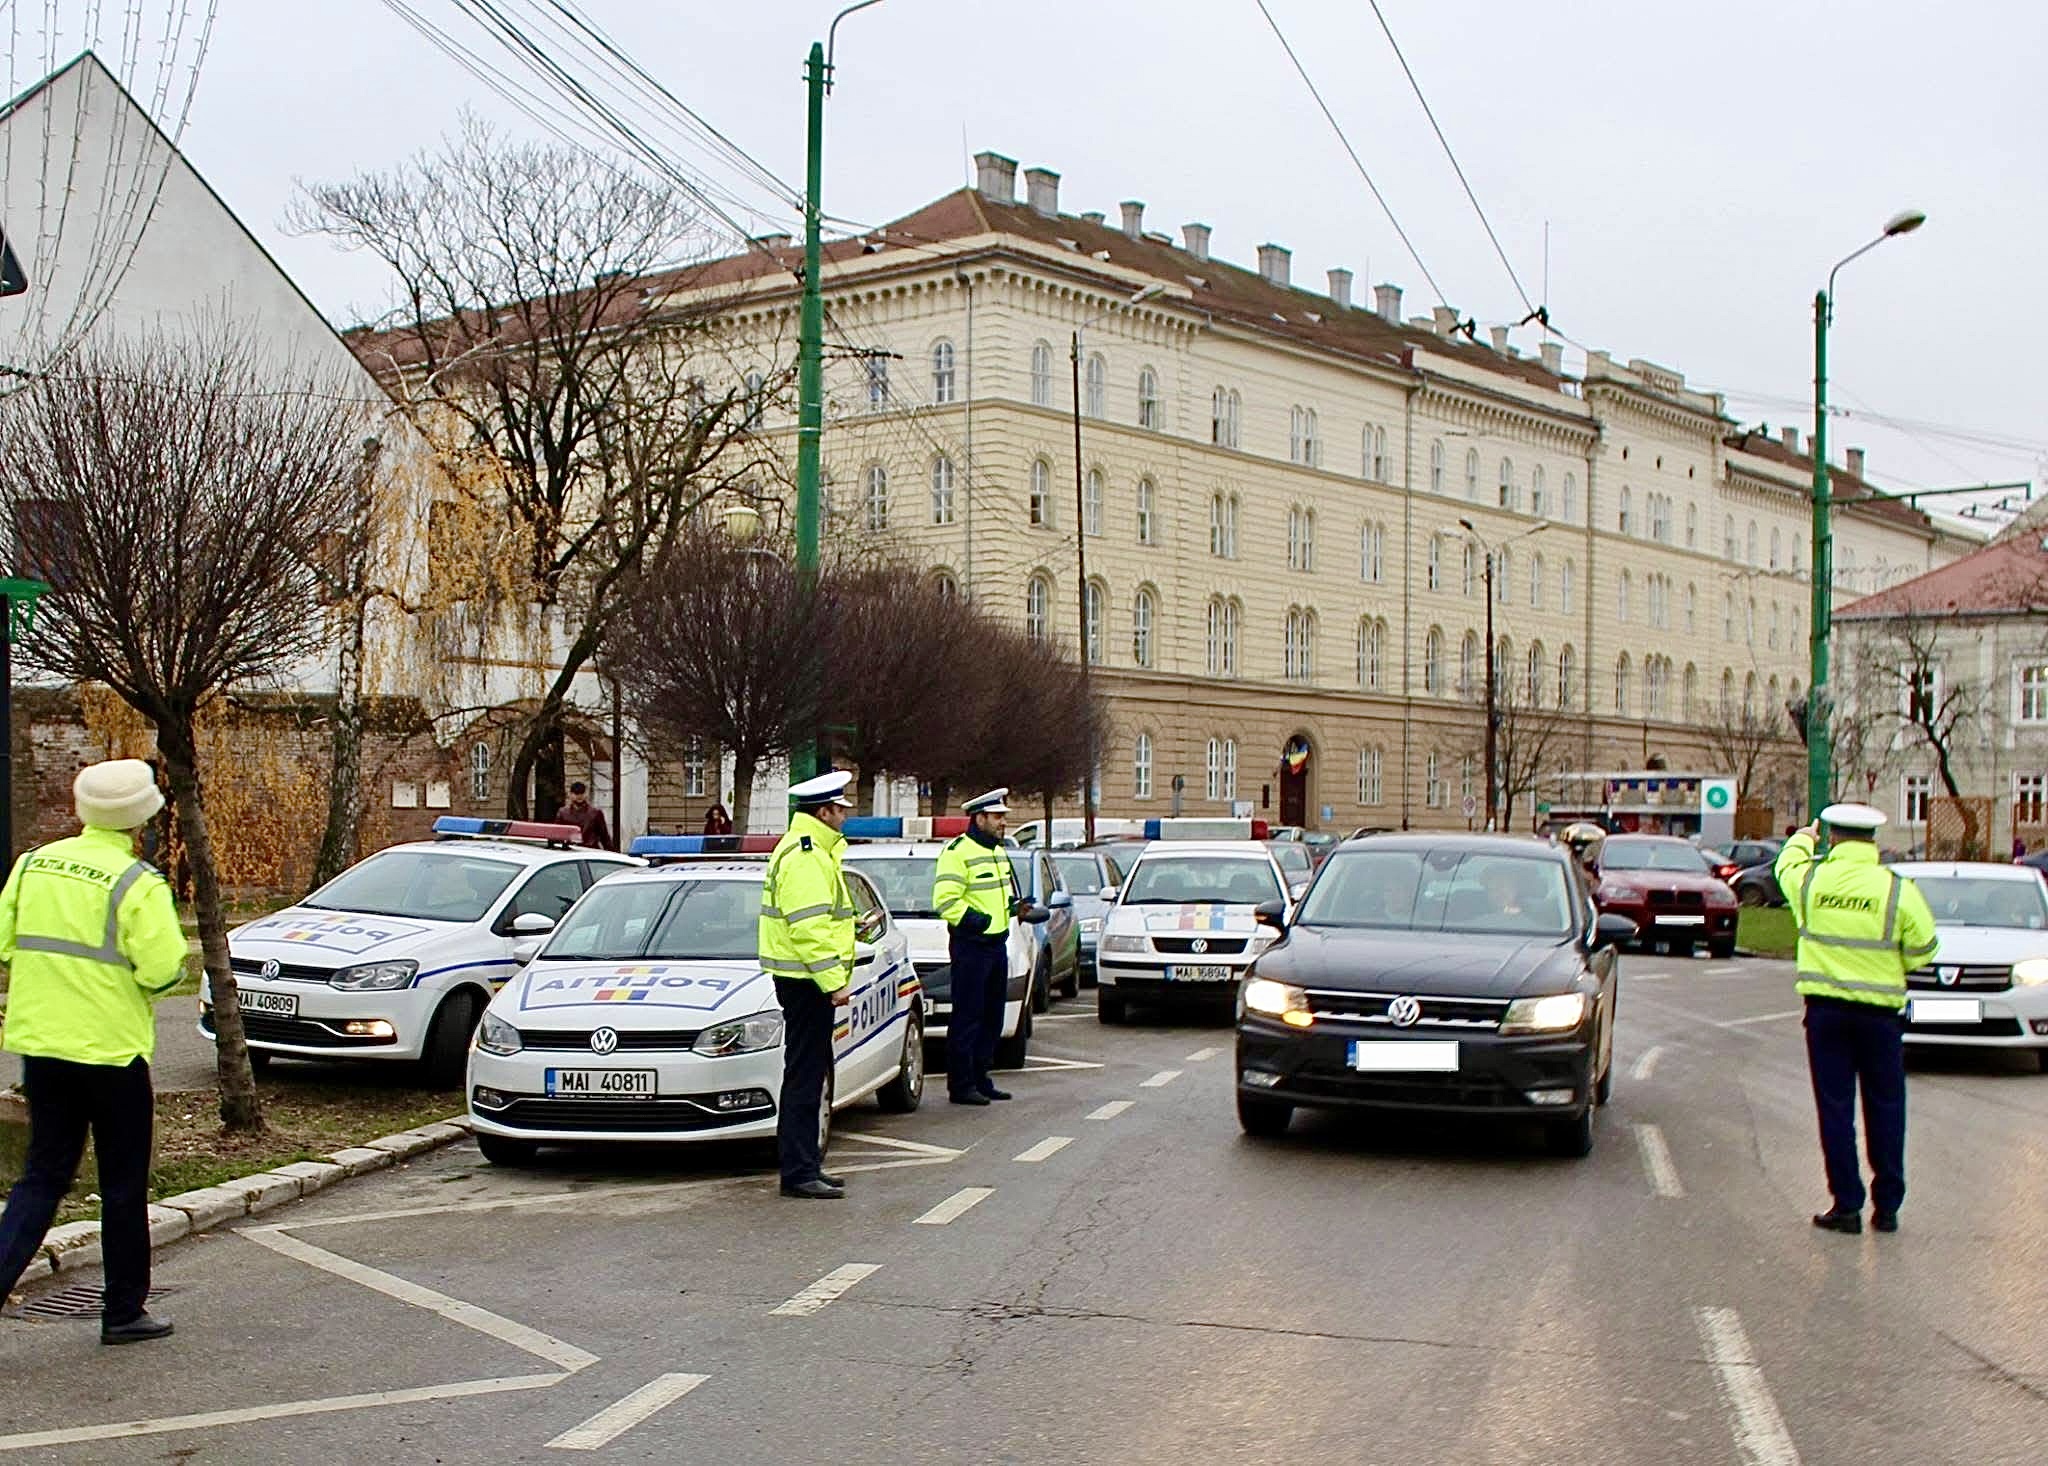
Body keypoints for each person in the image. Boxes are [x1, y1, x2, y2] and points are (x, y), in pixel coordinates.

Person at [0, 759, 189, 1343]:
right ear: (141, 819)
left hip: (43, 1046)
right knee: (123, 1184)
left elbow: (7, 945)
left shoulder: (32, 866)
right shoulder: (138, 883)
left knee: (42, 1176)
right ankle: (123, 1311)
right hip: (111, 1054)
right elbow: (162, 973)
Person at [1774, 803, 1938, 1236]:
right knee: (1886, 1107)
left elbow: (1784, 867)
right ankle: (1887, 1209)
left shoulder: (1810, 880)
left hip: (1826, 1014)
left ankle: (1846, 1205)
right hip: (1880, 1017)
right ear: (1873, 840)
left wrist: (1803, 838)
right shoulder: (1897, 889)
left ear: (1832, 836)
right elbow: (1925, 948)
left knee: (1835, 1109)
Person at [757, 770, 857, 1199]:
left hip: (805, 979)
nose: (844, 818)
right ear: (824, 811)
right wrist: (834, 981)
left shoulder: (814, 851)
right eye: (840, 811)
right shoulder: (806, 856)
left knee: (809, 1073)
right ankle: (798, 1170)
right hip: (806, 981)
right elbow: (808, 928)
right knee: (804, 1075)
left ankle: (805, 1164)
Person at [933, 789, 1031, 1107]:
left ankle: (981, 1078)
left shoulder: (997, 852)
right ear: (980, 818)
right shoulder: (957, 852)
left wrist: (1014, 907)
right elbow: (945, 900)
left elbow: (996, 895)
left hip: (995, 945)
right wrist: (976, 921)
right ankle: (961, 1084)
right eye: (998, 817)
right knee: (968, 1016)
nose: (1003, 822)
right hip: (971, 946)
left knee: (992, 1017)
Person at [551, 781, 613, 851]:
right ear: (571, 794)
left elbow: (604, 837)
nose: (579, 796)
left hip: (590, 851)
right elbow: (556, 835)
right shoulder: (563, 812)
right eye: (576, 793)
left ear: (585, 794)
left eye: (582, 793)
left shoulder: (595, 813)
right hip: (569, 851)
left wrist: (612, 854)